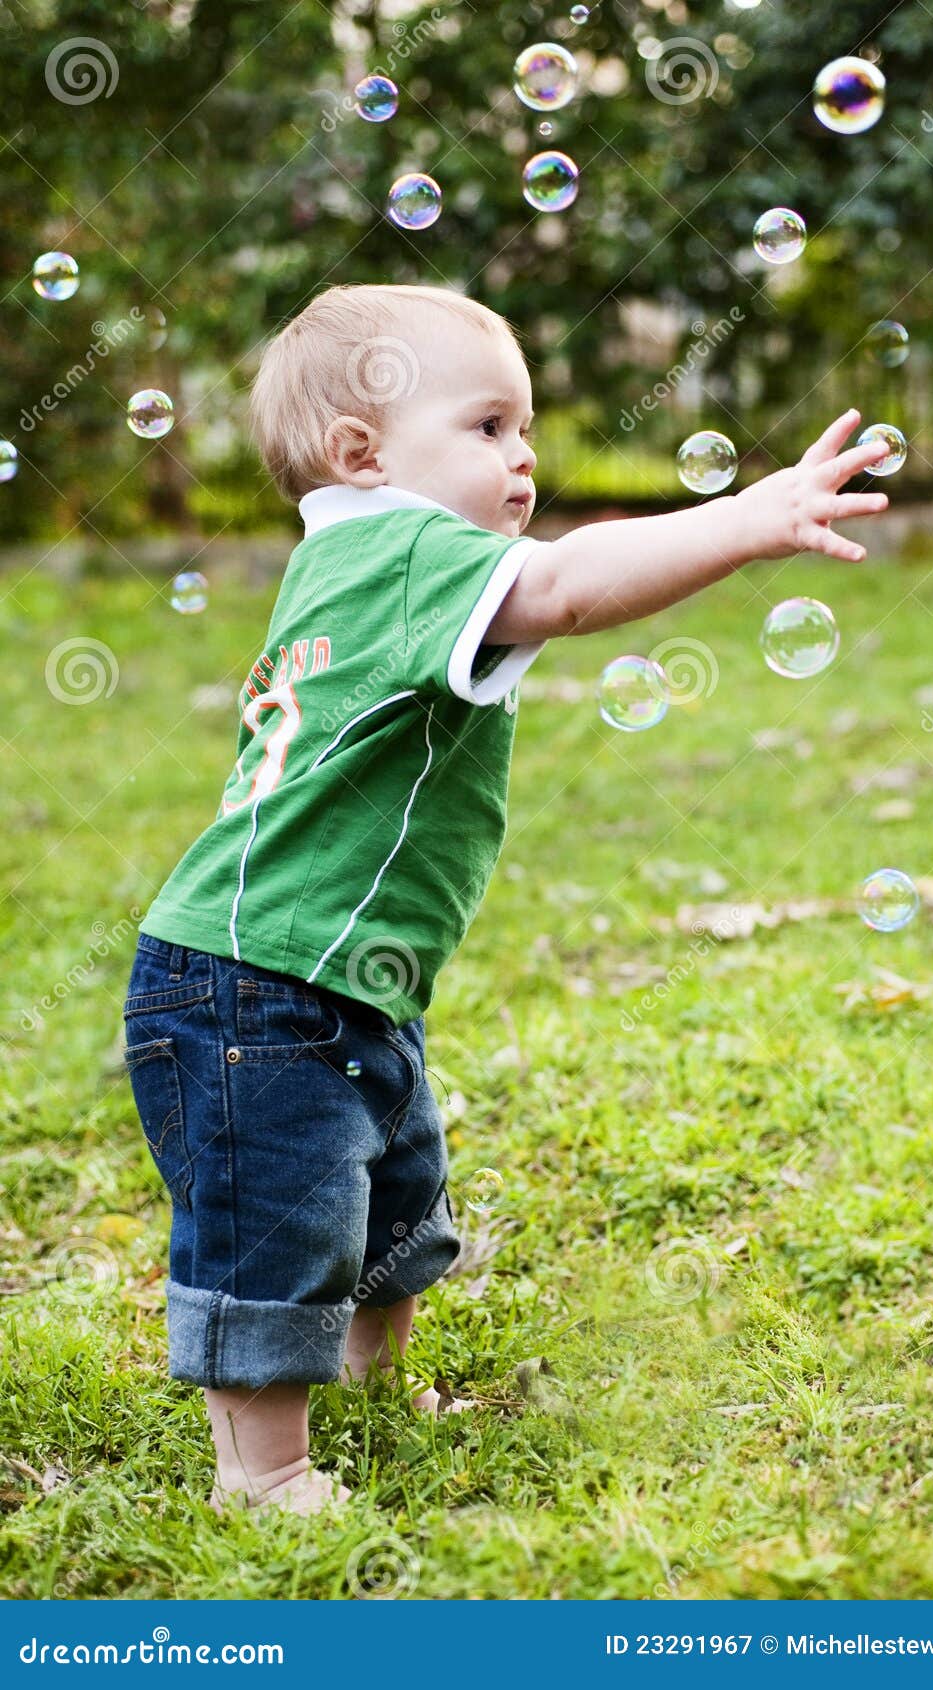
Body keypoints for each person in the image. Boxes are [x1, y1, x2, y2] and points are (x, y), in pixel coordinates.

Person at [123, 282, 890, 1516]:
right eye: (486, 427)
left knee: (389, 1185)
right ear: (360, 453)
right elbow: (572, 586)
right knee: (278, 1223)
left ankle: (374, 1383)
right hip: (254, 985)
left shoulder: (345, 557)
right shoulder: (406, 548)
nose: (523, 456)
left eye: (523, 428)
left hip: (320, 971)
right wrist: (747, 517)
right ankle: (261, 1475)